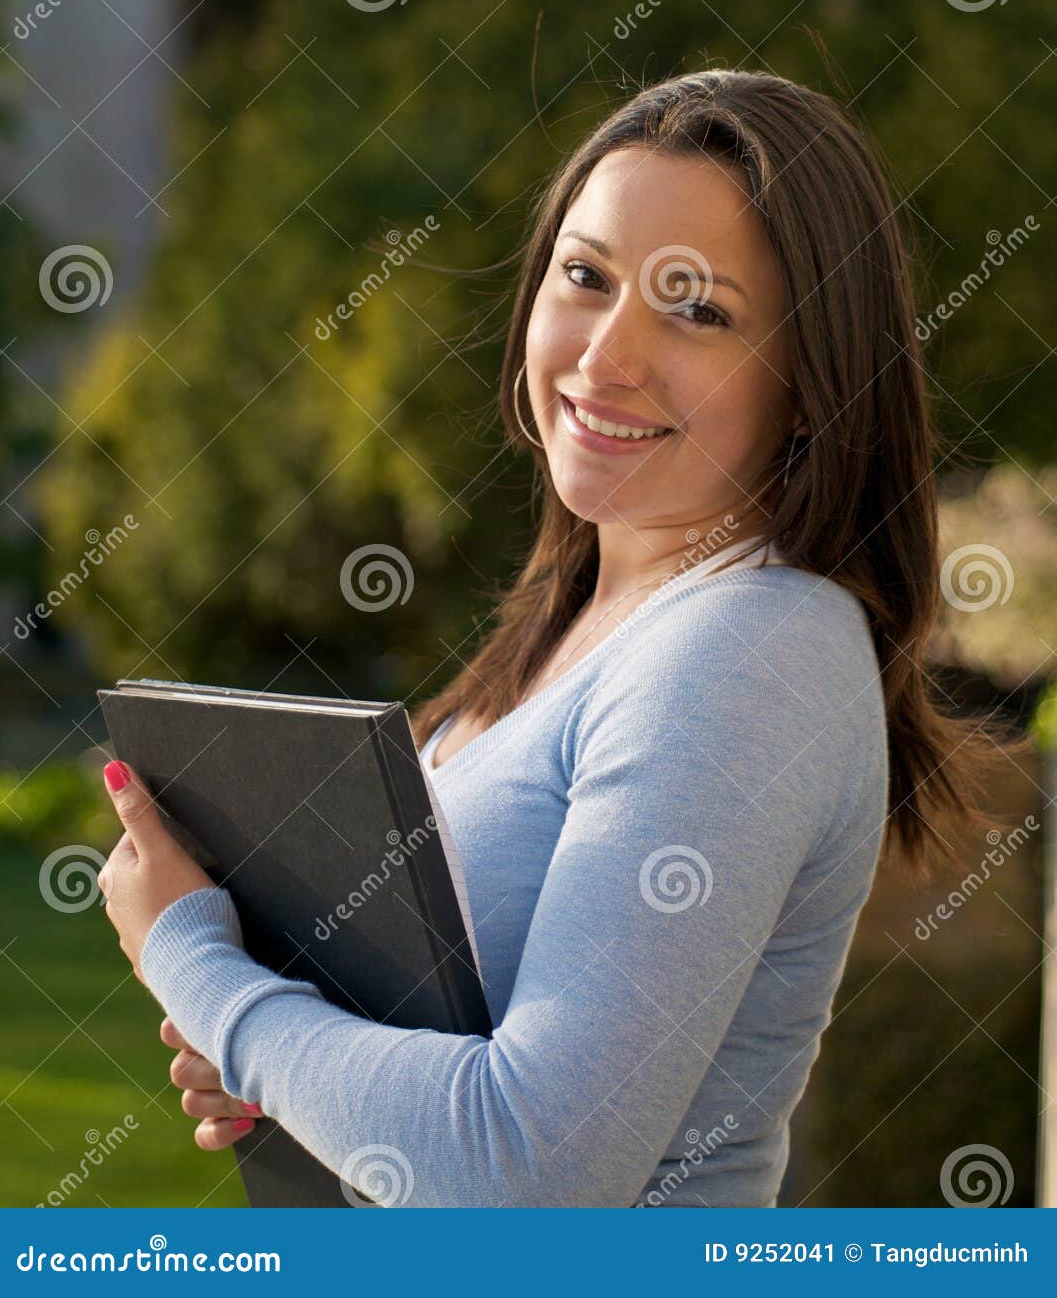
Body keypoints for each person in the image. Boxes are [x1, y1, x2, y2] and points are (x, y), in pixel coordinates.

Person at [98, 68, 1019, 1207]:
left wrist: (200, 966)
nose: (604, 355)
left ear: (811, 378)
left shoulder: (750, 650)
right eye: (585, 276)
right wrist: (294, 1068)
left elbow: (527, 1170)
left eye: (697, 309)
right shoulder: (577, 624)